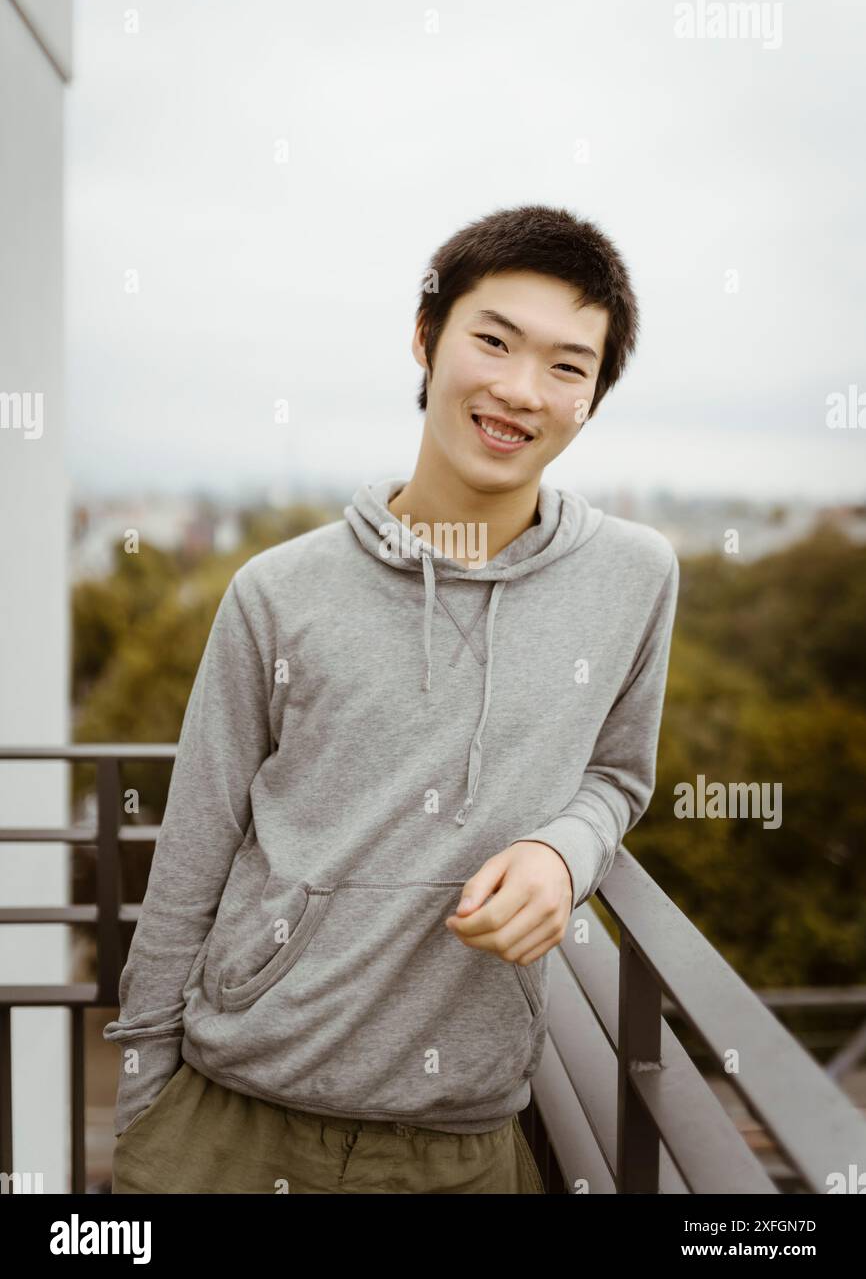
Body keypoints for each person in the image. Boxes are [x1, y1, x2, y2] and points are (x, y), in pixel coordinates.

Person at [104, 202, 680, 1194]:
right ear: (425, 338)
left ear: (590, 398)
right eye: (491, 341)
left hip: (457, 1138)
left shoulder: (633, 577)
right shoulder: (277, 591)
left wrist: (562, 850)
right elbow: (192, 852)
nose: (517, 390)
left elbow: (617, 775)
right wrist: (143, 1100)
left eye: (564, 365)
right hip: (228, 1120)